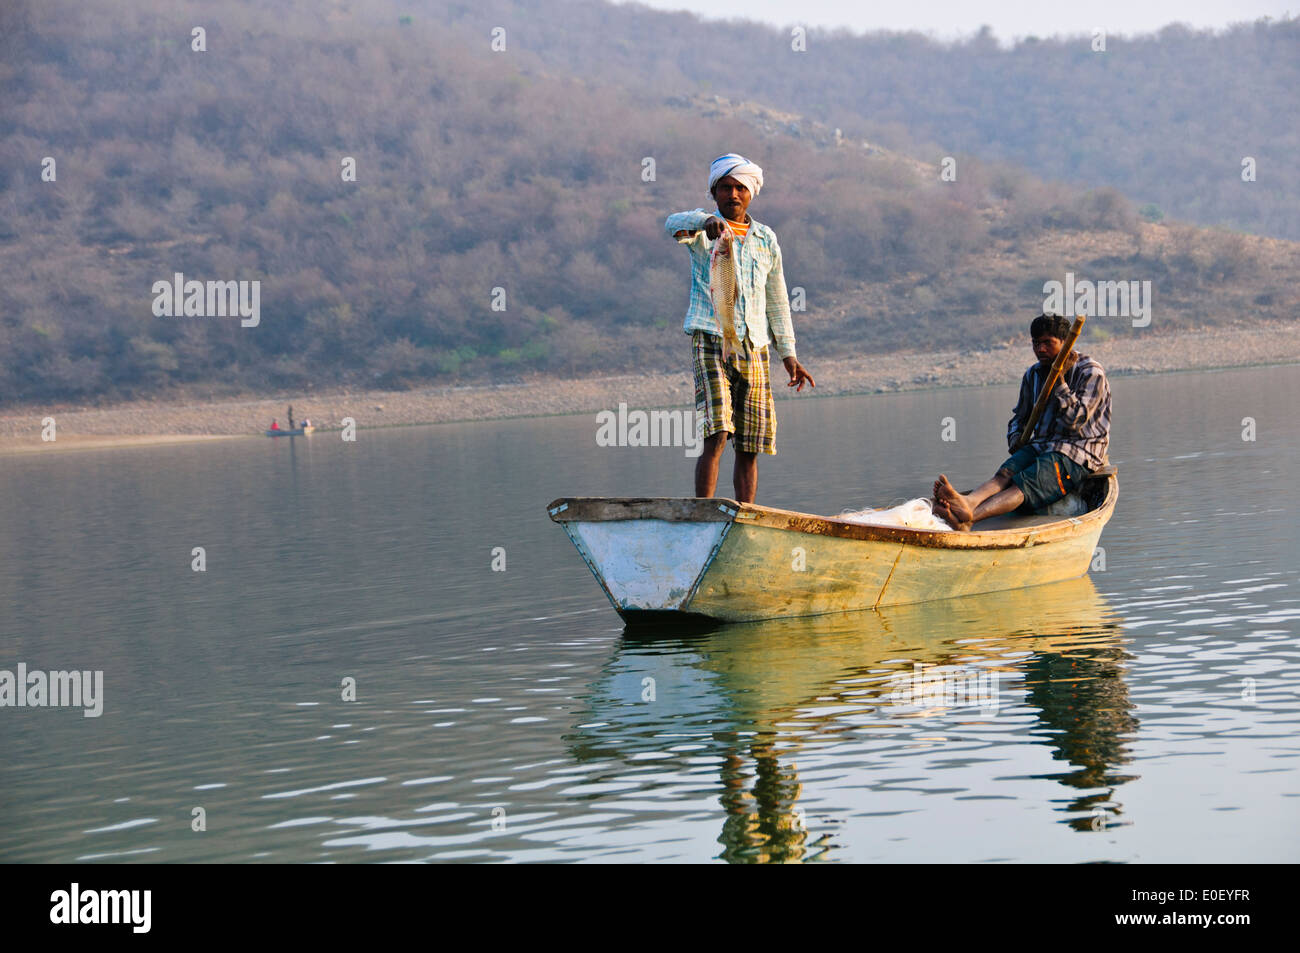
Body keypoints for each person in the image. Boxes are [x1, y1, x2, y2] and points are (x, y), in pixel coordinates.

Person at [664, 153, 815, 503]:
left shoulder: (765, 239)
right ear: (714, 193)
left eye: (740, 188)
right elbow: (672, 224)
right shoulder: (703, 233)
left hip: (755, 345)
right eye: (725, 188)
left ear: (751, 193)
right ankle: (705, 511)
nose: (733, 194)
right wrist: (704, 223)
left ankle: (745, 514)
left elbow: (777, 300)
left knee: (750, 443)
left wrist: (788, 354)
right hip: (712, 338)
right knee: (717, 432)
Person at [933, 313, 1111, 531]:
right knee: (1005, 473)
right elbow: (1019, 417)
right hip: (1041, 445)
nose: (1040, 350)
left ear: (1065, 343)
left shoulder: (1090, 372)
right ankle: (968, 502)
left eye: (1048, 343)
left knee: (1024, 484)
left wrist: (1060, 381)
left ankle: (970, 518)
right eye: (1036, 343)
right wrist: (1015, 437)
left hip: (1077, 451)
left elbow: (1075, 422)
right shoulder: (1034, 374)